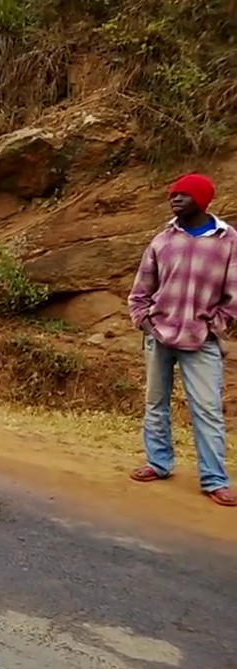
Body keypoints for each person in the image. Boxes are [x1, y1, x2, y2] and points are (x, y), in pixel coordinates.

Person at [127, 172, 237, 507]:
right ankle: (158, 464)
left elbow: (234, 296)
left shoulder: (227, 240)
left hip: (200, 339)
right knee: (155, 403)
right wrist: (146, 325)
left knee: (207, 409)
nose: (174, 199)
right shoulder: (162, 240)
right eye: (173, 194)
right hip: (159, 335)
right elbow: (140, 291)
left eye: (183, 195)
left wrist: (213, 326)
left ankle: (215, 480)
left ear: (202, 200)